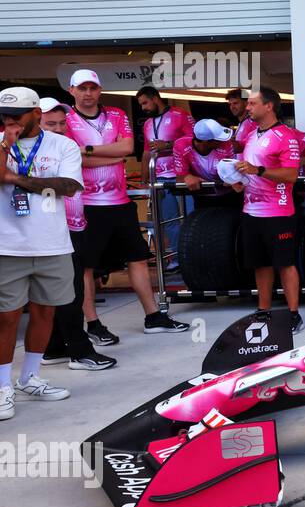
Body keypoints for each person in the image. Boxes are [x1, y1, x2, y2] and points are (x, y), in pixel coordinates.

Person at [63, 69, 188, 342]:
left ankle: (153, 316)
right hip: (85, 204)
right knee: (86, 267)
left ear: (99, 90)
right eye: (81, 88)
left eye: (92, 88)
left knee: (138, 258)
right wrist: (109, 153)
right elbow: (73, 159)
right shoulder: (66, 119)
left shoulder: (117, 115)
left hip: (120, 201)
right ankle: (93, 324)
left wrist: (90, 151)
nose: (88, 93)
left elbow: (127, 148)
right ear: (71, 90)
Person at [0, 87, 82, 418]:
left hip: (51, 242)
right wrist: (6, 144)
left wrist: (14, 178)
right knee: (5, 318)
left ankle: (29, 377)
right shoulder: (1, 142)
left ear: (36, 112)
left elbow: (69, 187)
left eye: (15, 116)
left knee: (45, 312)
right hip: (7, 244)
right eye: (3, 116)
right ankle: (3, 386)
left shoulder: (62, 145)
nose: (8, 121)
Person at [37, 99, 115, 372]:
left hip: (75, 224)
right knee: (70, 291)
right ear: (37, 121)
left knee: (67, 289)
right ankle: (80, 351)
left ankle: (55, 346)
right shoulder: (35, 151)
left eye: (62, 123)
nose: (58, 128)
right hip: (56, 230)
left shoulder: (65, 146)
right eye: (51, 123)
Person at [231, 88, 303, 333]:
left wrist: (258, 170)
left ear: (269, 106)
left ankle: (293, 314)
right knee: (260, 264)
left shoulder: (286, 136)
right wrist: (236, 177)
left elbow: (291, 174)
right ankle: (264, 310)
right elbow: (247, 168)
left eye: (252, 103)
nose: (247, 107)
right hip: (251, 210)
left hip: (279, 212)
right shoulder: (251, 134)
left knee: (285, 263)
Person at [136, 86, 194, 271]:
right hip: (160, 179)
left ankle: (195, 256)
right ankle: (177, 259)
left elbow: (195, 140)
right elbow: (146, 152)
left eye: (145, 102)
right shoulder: (147, 124)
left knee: (190, 218)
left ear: (155, 98)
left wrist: (168, 144)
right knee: (169, 221)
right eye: (141, 104)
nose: (143, 107)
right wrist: (144, 180)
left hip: (182, 177)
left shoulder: (180, 115)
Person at [175, 118, 238, 196]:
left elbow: (232, 173)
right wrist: (187, 177)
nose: (224, 140)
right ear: (205, 141)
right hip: (200, 195)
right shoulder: (181, 145)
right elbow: (180, 178)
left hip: (228, 193)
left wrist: (231, 177)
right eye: (219, 139)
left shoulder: (227, 144)